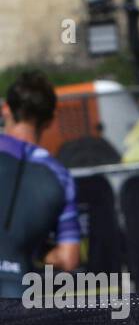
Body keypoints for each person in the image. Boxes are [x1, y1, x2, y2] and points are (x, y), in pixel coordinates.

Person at [0, 71, 80, 299]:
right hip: (17, 296)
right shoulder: (60, 176)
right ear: (51, 120)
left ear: (6, 108)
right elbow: (68, 258)